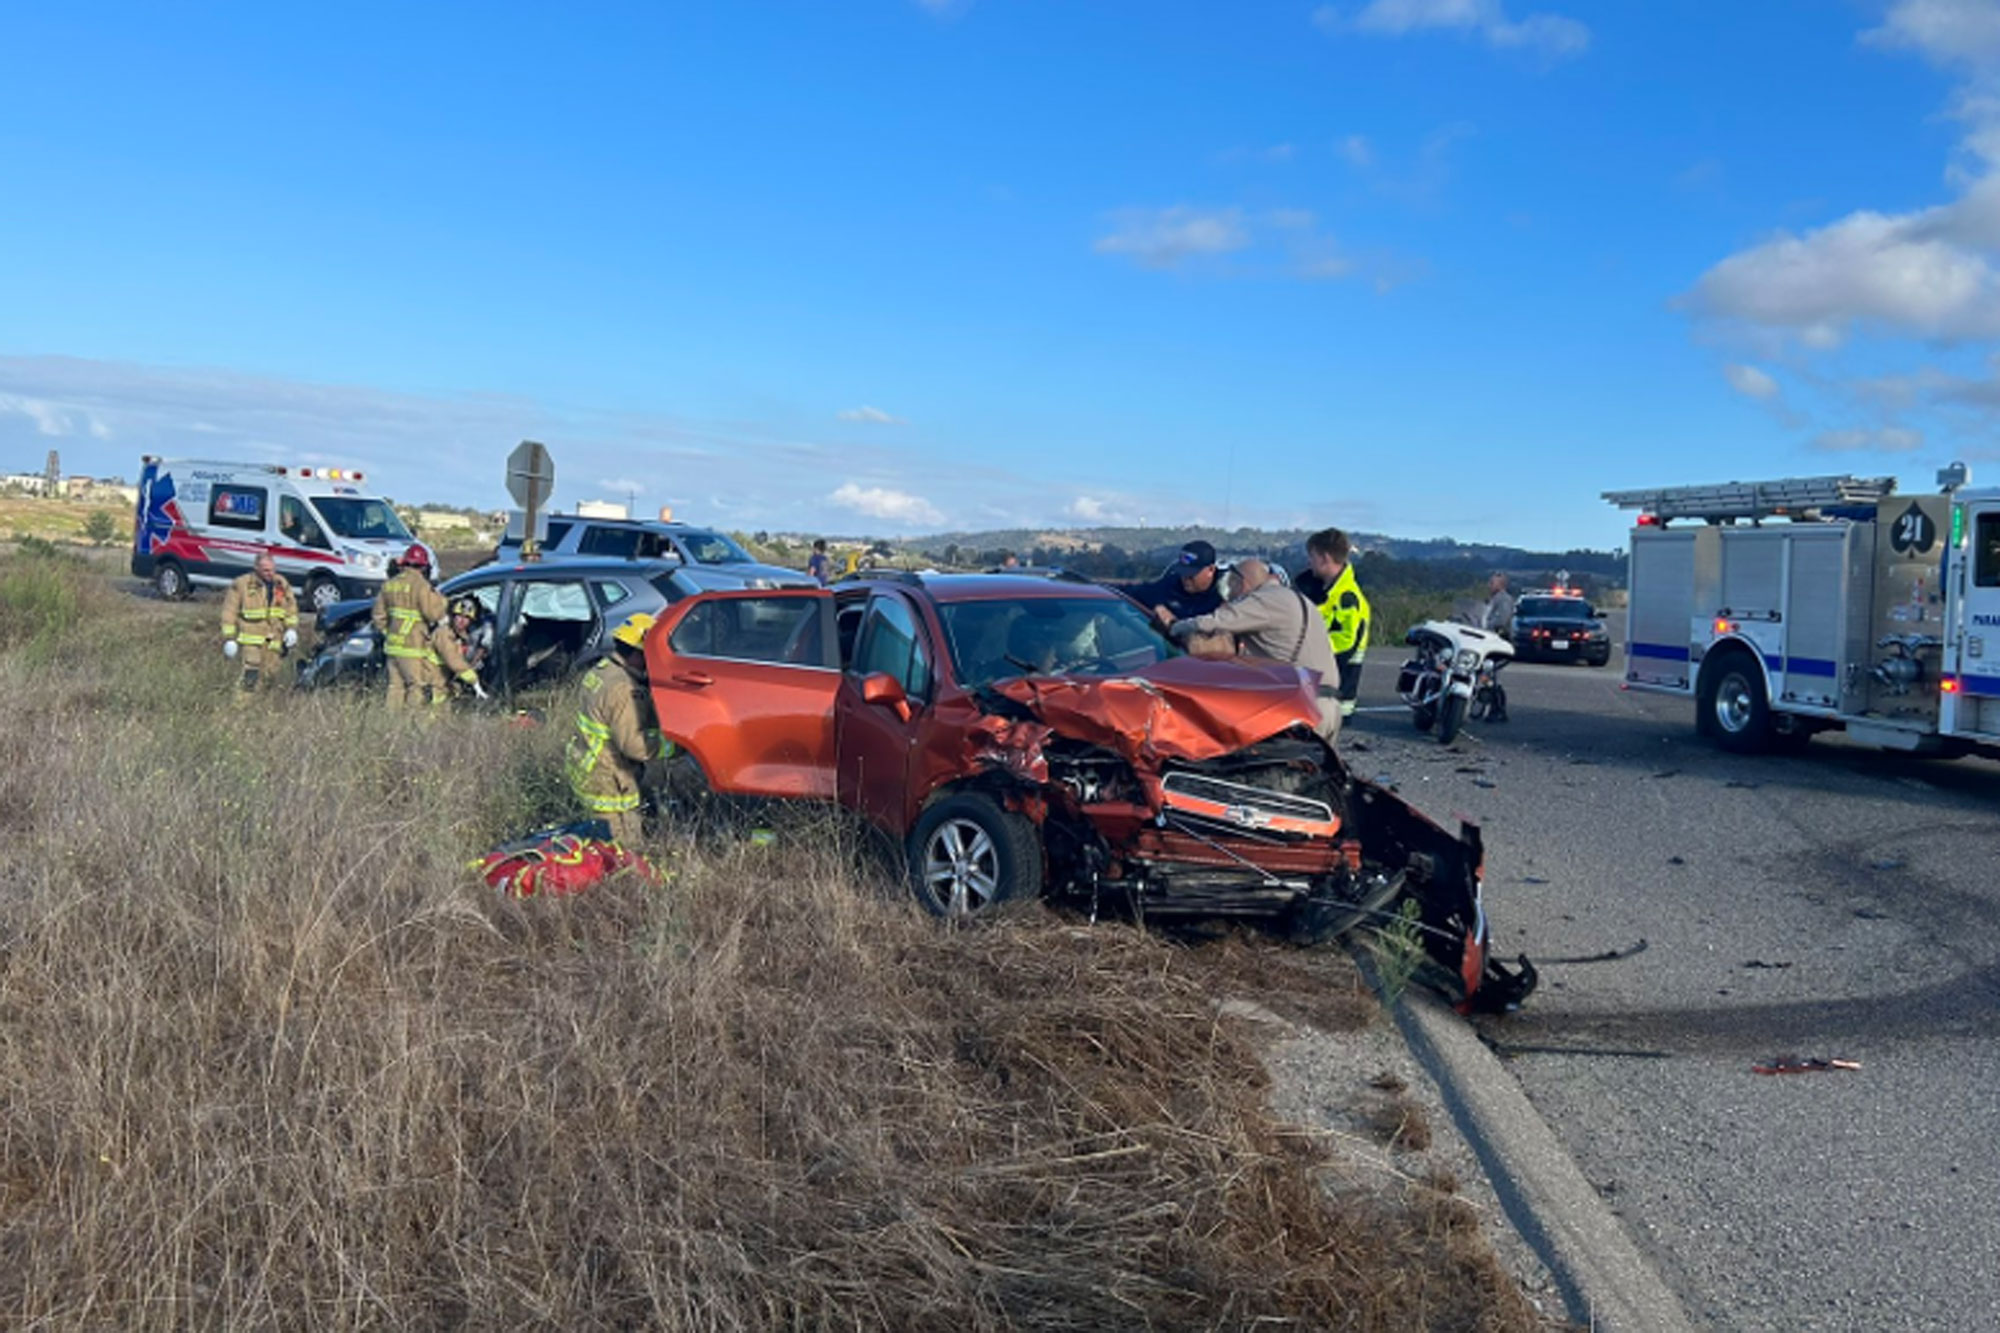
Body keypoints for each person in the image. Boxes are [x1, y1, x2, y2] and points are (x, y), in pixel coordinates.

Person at [1162, 558, 1343, 744]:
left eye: (1232, 582)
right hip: (1329, 705)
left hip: (1301, 709)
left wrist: (1174, 626)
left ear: (1243, 583)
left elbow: (1213, 622)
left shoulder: (1263, 600)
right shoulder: (1301, 602)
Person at [566, 612, 667, 844]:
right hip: (608, 779)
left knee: (593, 841)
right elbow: (634, 746)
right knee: (622, 848)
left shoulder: (602, 670)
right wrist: (675, 745)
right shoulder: (624, 689)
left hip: (585, 766)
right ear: (639, 654)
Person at [1294, 528, 1371, 719]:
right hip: (1322, 690)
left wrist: (1308, 648)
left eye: (1312, 556)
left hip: (1335, 697)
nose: (1309, 562)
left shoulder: (1347, 598)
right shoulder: (1327, 592)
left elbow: (1345, 641)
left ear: (1324, 558)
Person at [371, 544, 448, 709]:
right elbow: (433, 614)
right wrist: (441, 601)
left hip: (392, 648)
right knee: (415, 687)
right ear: (424, 566)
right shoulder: (422, 586)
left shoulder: (389, 585)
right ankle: (411, 720)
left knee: (394, 688)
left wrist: (389, 634)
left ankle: (391, 721)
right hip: (413, 649)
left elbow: (378, 616)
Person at [219, 553, 299, 690]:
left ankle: (263, 702)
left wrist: (291, 629)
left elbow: (291, 608)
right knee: (250, 678)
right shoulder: (242, 584)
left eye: (272, 570)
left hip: (274, 641)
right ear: (256, 568)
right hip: (251, 642)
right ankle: (243, 703)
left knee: (270, 678)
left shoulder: (281, 584)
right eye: (266, 570)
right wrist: (229, 639)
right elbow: (229, 612)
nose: (270, 573)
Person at [1109, 539, 1225, 623]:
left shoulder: (1227, 594)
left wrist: (1173, 624)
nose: (1185, 578)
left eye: (1191, 574)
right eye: (1183, 572)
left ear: (1211, 570)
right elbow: (1129, 592)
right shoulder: (1168, 587)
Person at [429, 597, 491, 703]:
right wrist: (474, 681)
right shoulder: (443, 634)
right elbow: (453, 660)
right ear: (452, 616)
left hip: (443, 683)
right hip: (431, 683)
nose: (462, 621)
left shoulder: (461, 637)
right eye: (459, 616)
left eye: (467, 618)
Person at [1482, 572, 1516, 639]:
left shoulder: (1504, 599)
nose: (1489, 585)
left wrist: (1489, 625)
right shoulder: (1495, 598)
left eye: (1492, 583)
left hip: (1500, 638)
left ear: (1500, 585)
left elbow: (1502, 620)